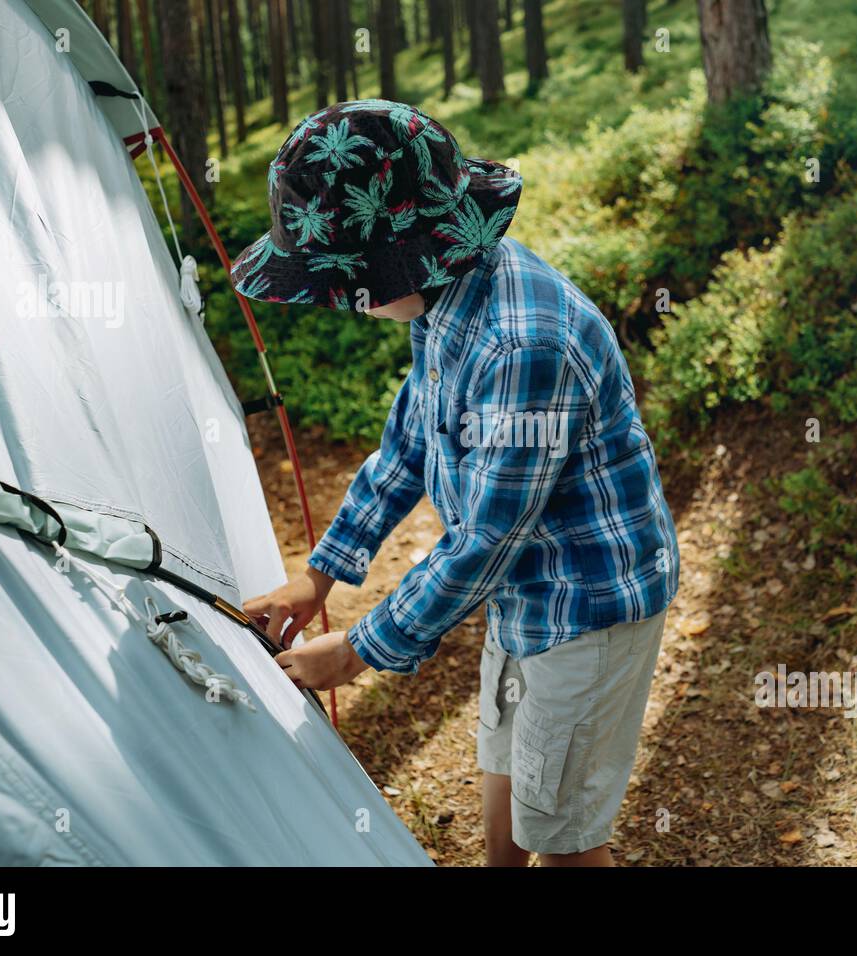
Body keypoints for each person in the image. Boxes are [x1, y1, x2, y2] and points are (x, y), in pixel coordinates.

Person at [233, 99, 680, 867]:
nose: (352, 303)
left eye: (353, 286)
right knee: (507, 784)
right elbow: (407, 444)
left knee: (564, 835)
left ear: (398, 263)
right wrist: (319, 576)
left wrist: (358, 652)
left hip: (586, 606)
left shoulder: (523, 344)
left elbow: (485, 540)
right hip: (523, 598)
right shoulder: (443, 303)